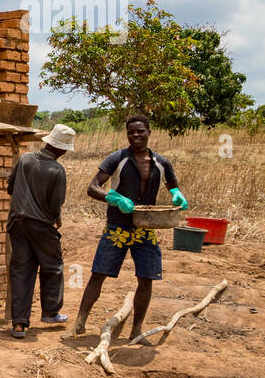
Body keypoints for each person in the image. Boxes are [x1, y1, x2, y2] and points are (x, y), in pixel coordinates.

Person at [73, 114, 188, 340]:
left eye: (140, 131)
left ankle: (137, 330)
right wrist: (114, 199)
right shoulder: (117, 158)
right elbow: (92, 187)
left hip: (145, 228)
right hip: (118, 226)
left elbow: (173, 187)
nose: (135, 135)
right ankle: (80, 322)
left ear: (149, 132)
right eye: (131, 132)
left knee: (146, 278)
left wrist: (177, 195)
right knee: (99, 274)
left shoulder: (161, 163)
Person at [6, 123, 75, 338]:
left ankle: (19, 324)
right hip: (42, 226)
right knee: (52, 267)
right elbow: (56, 205)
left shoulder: (25, 159)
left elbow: (10, 187)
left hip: (17, 223)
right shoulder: (57, 170)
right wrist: (54, 218)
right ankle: (50, 312)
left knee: (21, 271)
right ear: (62, 149)